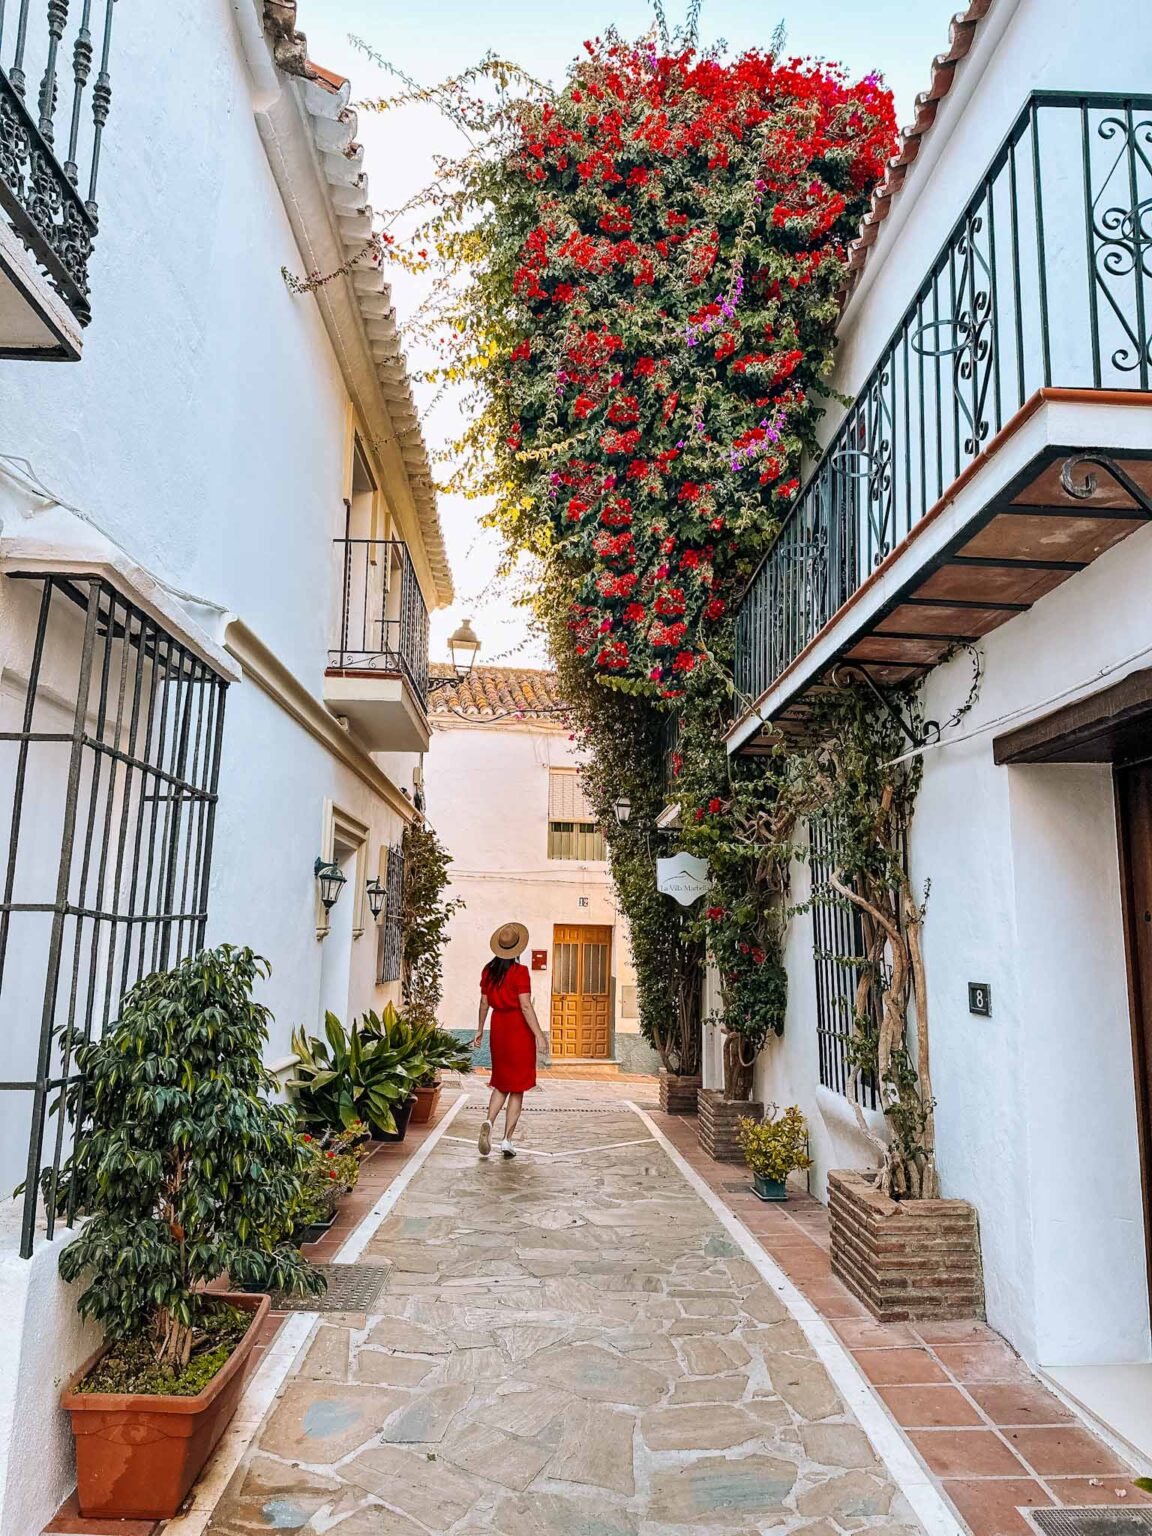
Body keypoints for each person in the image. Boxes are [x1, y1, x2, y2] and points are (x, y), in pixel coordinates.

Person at [473, 922, 549, 1158]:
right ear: (517, 949)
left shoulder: (488, 970)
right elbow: (525, 1006)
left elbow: (484, 1002)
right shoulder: (520, 972)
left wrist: (479, 1029)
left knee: (501, 1082)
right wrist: (538, 1034)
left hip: (498, 1026)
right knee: (518, 1087)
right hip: (517, 1028)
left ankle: (489, 1121)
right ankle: (506, 1140)